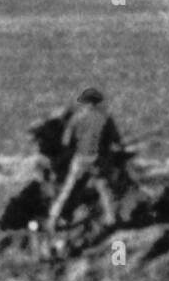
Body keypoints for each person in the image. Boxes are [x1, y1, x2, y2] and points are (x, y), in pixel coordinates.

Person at [46, 87, 125, 232]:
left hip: (81, 159)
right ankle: (112, 220)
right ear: (97, 102)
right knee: (105, 189)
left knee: (68, 190)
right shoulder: (106, 118)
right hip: (99, 161)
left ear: (85, 103)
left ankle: (53, 219)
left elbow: (66, 141)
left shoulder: (77, 118)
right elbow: (117, 142)